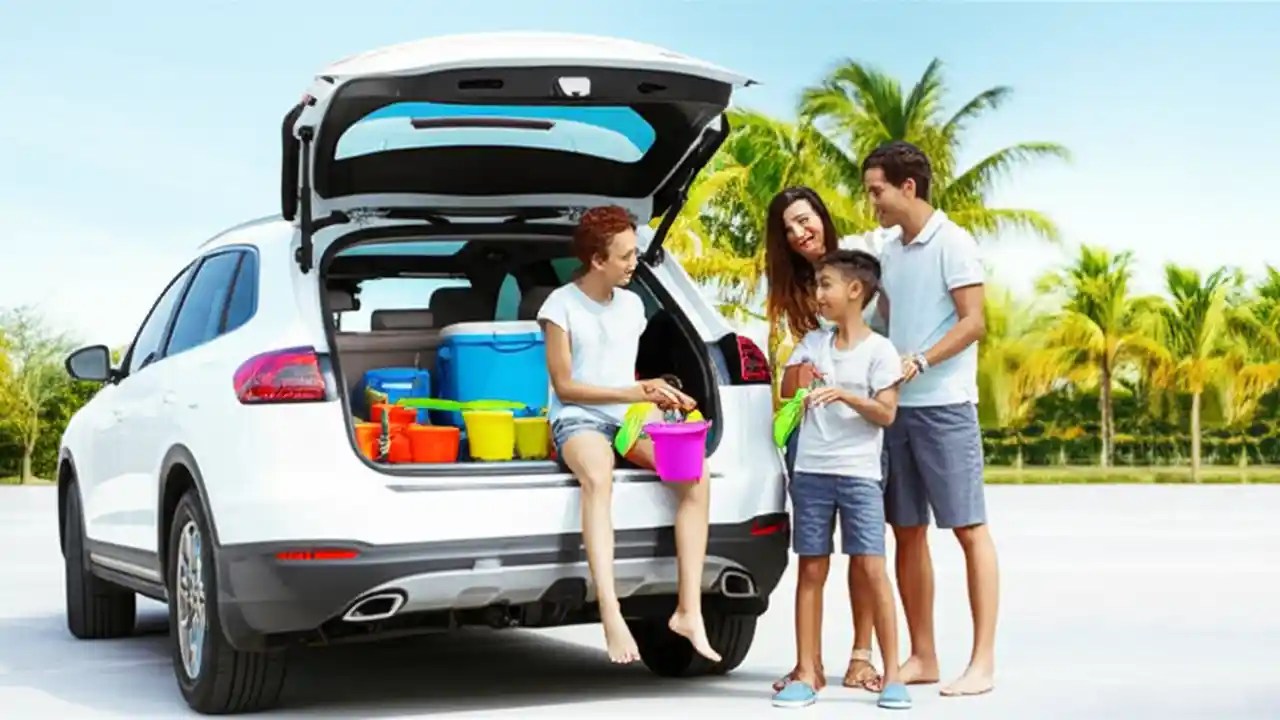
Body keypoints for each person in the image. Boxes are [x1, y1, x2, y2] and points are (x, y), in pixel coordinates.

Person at [536, 205, 722, 665]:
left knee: (695, 477)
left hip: (627, 419)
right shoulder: (560, 305)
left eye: (634, 253)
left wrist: (656, 391)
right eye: (625, 256)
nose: (634, 263)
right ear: (598, 260)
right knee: (598, 478)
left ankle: (688, 611)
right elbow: (565, 385)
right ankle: (611, 612)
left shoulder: (635, 304)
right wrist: (628, 391)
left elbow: (623, 370)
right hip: (577, 419)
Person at [863, 140, 999, 697]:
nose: (873, 203)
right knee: (907, 532)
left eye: (878, 191)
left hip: (945, 408)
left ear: (908, 187)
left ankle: (983, 663)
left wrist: (920, 359)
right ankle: (924, 656)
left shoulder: (955, 243)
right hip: (898, 411)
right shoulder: (890, 251)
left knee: (969, 530)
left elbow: (973, 323)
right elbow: (887, 316)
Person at [769, 249, 910, 710]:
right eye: (817, 285)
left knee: (872, 569)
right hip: (811, 472)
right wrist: (800, 373)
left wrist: (845, 396)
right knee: (811, 569)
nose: (818, 293)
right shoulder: (813, 342)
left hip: (859, 476)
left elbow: (886, 413)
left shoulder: (880, 351)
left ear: (855, 291)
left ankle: (892, 677)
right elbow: (787, 392)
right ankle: (807, 671)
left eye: (826, 284)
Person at [764, 186, 883, 693]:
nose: (799, 234)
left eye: (804, 220)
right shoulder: (794, 292)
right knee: (812, 556)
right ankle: (806, 664)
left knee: (866, 553)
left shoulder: (859, 265)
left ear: (822, 217)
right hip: (811, 436)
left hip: (862, 432)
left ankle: (862, 656)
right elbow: (788, 380)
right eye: (788, 230)